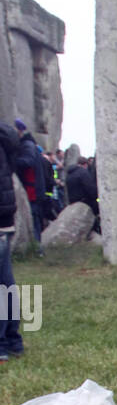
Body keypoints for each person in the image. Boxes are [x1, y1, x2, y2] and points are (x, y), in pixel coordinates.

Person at [0, 122, 24, 363]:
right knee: (5, 284)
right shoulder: (6, 138)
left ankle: (1, 346)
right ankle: (13, 341)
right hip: (5, 219)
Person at [13, 120, 45, 245]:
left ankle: (37, 247)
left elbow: (28, 162)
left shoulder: (27, 145)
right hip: (32, 189)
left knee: (34, 219)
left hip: (32, 190)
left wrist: (12, 162)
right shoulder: (28, 144)